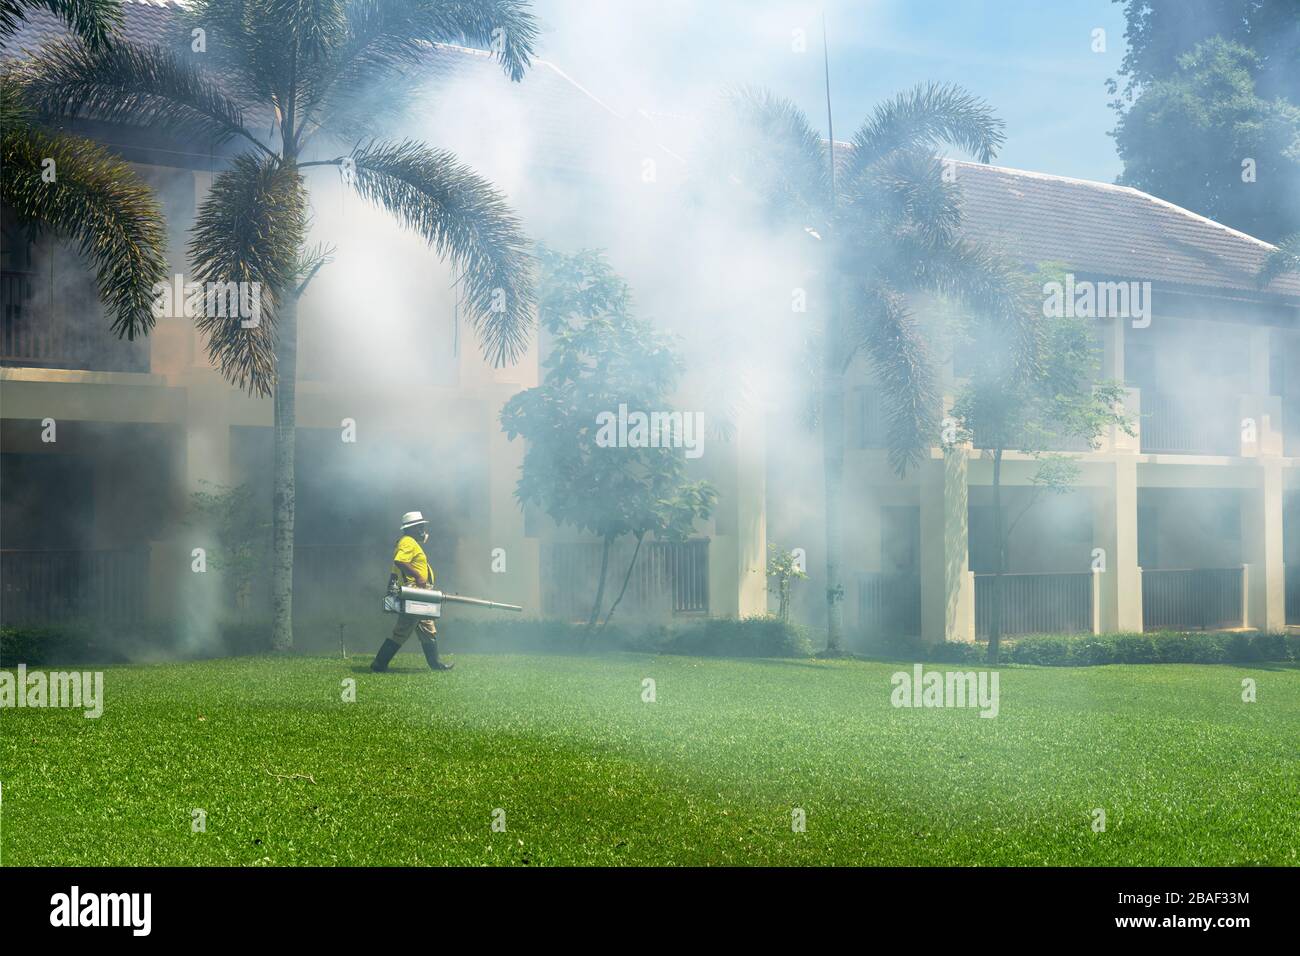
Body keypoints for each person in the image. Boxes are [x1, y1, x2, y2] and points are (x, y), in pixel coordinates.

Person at [371, 511, 453, 673]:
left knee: (427, 628)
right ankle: (379, 664)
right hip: (416, 592)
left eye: (423, 526)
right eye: (419, 526)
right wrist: (418, 576)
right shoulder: (408, 542)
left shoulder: (408, 543)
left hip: (419, 593)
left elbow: (395, 569)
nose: (423, 529)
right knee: (403, 629)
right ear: (410, 528)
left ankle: (436, 664)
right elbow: (399, 561)